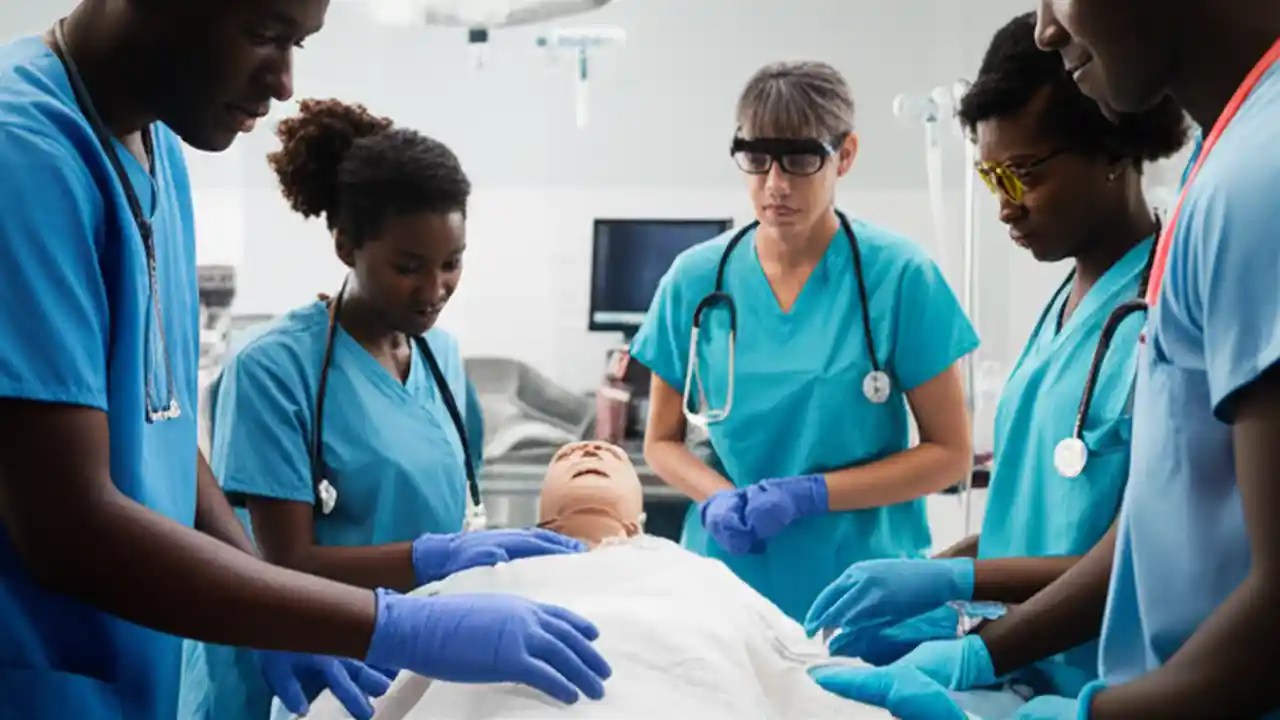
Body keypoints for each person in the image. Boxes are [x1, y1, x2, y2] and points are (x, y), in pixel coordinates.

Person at [0, 3, 610, 719]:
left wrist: (272, 611)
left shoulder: (155, 147)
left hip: (131, 682)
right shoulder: (24, 155)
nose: (286, 81)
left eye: (298, 41)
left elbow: (159, 422)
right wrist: (393, 622)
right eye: (261, 31)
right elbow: (66, 526)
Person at [806, 1, 1280, 717]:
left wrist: (1002, 656)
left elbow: (1173, 558)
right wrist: (946, 585)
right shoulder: (1188, 208)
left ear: (1113, 150)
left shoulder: (1251, 184)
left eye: (1021, 174)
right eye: (992, 180)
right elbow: (1154, 522)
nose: (1046, 28)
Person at [180, 97, 598, 718]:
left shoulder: (442, 358)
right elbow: (285, 561)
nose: (434, 291)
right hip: (288, 666)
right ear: (346, 244)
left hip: (404, 664)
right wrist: (429, 557)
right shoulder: (272, 369)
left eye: (451, 264)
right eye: (408, 267)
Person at [294, 439, 1023, 720]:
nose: (586, 448)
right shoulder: (476, 574)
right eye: (570, 454)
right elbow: (366, 690)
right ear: (537, 510)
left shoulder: (691, 570)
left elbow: (798, 666)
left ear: (643, 517)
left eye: (607, 455)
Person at [629, 60, 980, 624]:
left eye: (800, 158)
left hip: (867, 590)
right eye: (756, 157)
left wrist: (812, 494)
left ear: (845, 154)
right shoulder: (696, 280)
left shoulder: (899, 276)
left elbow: (949, 454)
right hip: (729, 590)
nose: (775, 184)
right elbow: (661, 442)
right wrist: (716, 495)